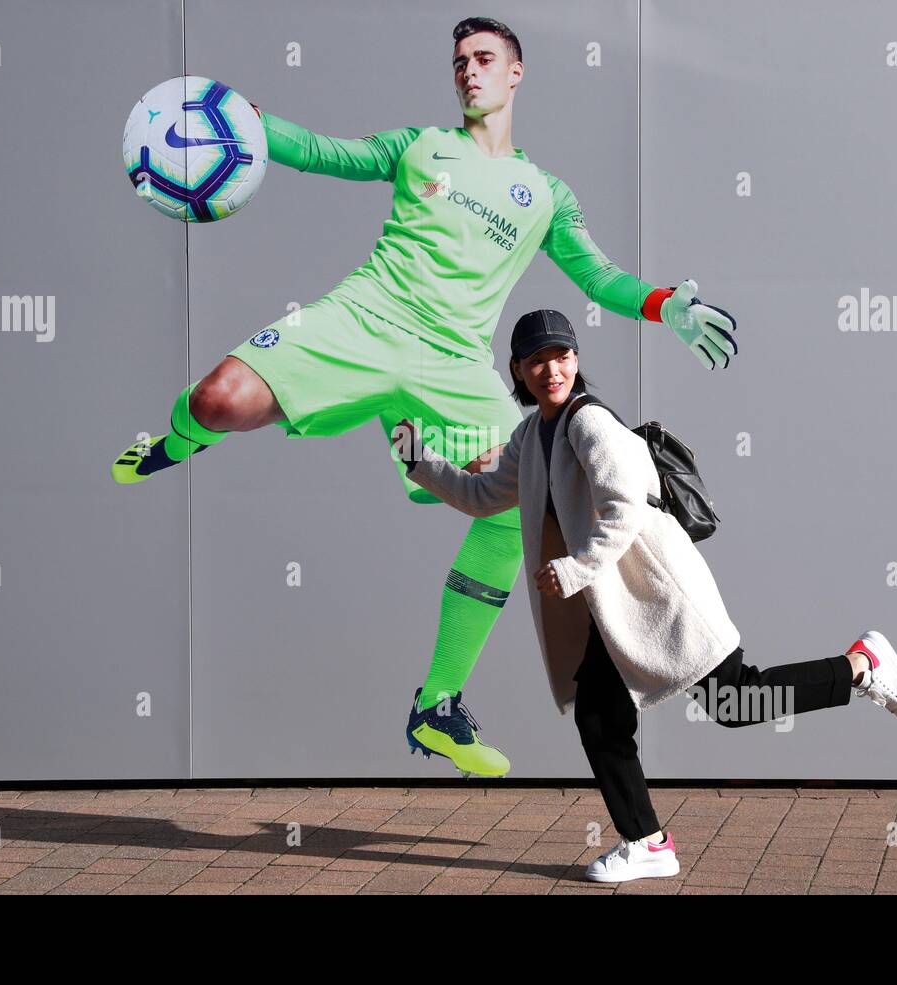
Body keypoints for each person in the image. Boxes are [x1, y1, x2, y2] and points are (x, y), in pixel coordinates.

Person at [109, 17, 739, 778]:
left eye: (483, 60)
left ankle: (437, 704)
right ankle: (171, 445)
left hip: (452, 366)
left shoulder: (545, 193)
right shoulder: (418, 146)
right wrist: (243, 123)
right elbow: (319, 152)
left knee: (520, 504)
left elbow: (601, 279)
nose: (467, 72)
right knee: (217, 401)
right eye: (458, 63)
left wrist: (666, 303)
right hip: (362, 322)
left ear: (515, 74)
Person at [392, 308, 897, 882]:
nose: (552, 369)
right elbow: (482, 494)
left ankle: (861, 667)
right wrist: (420, 461)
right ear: (518, 371)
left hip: (662, 596)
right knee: (599, 717)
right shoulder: (533, 435)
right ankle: (647, 842)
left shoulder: (587, 424)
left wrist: (575, 569)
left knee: (733, 703)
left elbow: (623, 510)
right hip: (619, 608)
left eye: (562, 356)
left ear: (576, 360)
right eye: (538, 360)